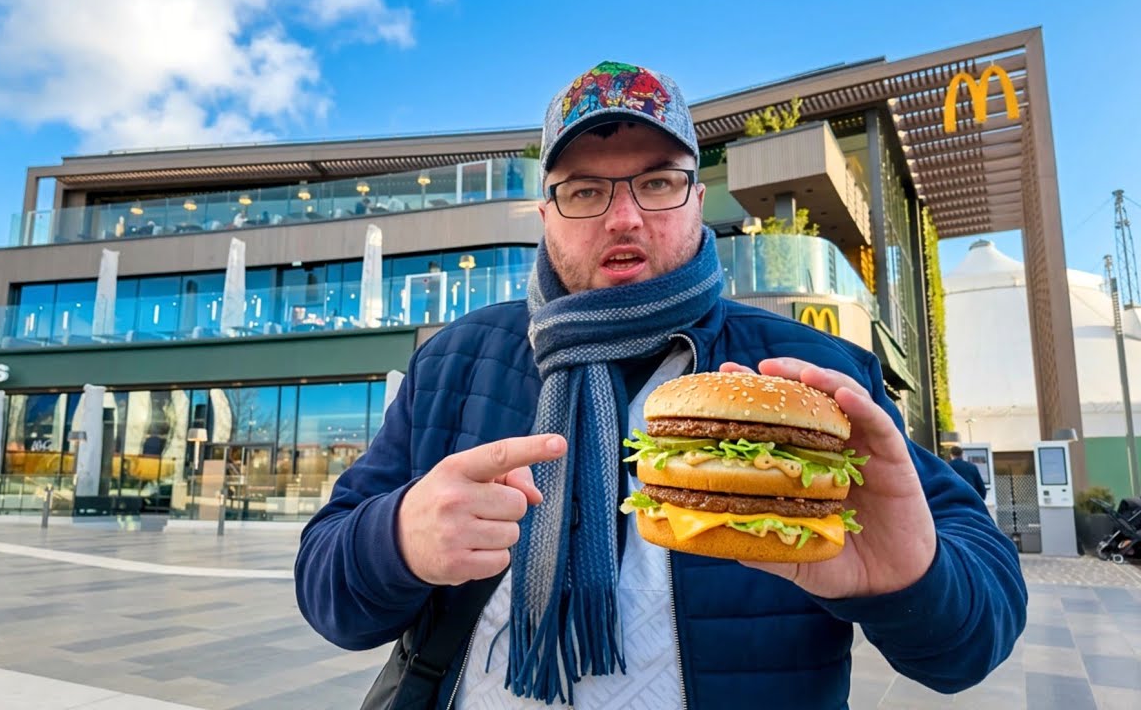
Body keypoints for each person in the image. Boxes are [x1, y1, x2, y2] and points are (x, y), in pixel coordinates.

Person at [295, 61, 1026, 708]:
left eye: (657, 183)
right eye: (584, 190)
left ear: (696, 199)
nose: (624, 216)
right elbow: (329, 594)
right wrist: (395, 539)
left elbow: (971, 640)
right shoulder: (455, 358)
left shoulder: (808, 373)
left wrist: (911, 582)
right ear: (546, 214)